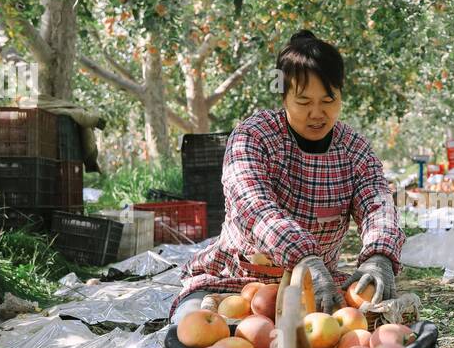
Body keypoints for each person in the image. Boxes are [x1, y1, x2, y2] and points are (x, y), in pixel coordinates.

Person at [170, 30, 405, 325]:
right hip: (236, 280)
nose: (317, 113)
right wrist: (303, 257)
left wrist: (380, 254)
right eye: (304, 102)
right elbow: (253, 206)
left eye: (328, 100)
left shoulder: (354, 150)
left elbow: (378, 204)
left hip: (318, 288)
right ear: (284, 97)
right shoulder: (254, 137)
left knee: (370, 331)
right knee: (191, 325)